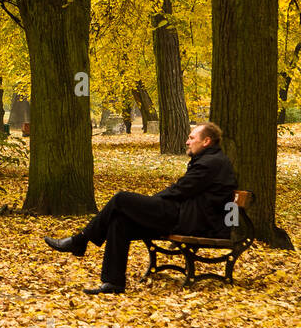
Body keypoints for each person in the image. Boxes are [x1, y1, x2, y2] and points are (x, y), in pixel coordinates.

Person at [43, 121, 237, 295]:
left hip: (194, 221)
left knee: (122, 199)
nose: (187, 141)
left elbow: (180, 190)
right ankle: (113, 283)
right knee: (121, 222)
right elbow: (183, 191)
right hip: (187, 215)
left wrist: (150, 202)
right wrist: (150, 204)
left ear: (206, 141)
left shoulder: (211, 163)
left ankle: (80, 240)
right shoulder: (209, 160)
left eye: (191, 138)